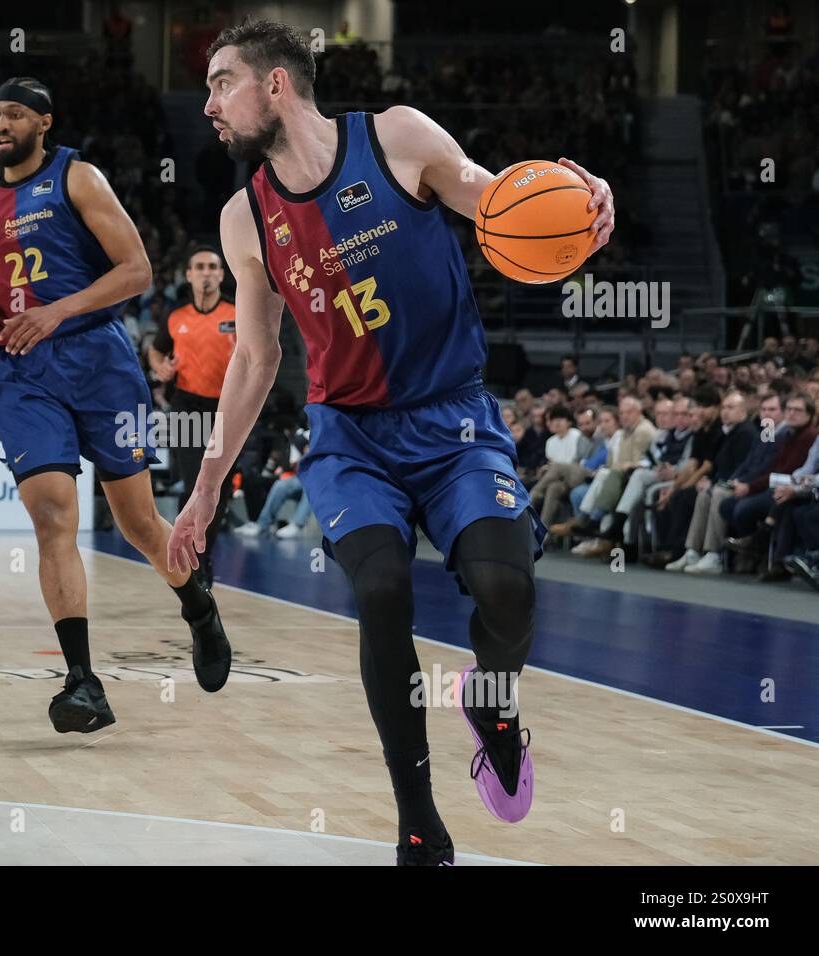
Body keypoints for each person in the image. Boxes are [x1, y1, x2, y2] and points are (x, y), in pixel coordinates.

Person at [168, 19, 614, 865]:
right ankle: (419, 822)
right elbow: (257, 359)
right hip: (350, 440)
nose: (209, 104)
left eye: (222, 82)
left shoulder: (397, 137)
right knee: (380, 589)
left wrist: (579, 190)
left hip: (454, 420)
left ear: (275, 85)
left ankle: (493, 702)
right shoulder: (244, 220)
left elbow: (498, 199)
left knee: (504, 587)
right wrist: (205, 487)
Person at [0, 77, 232, 733]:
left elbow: (137, 271)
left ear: (43, 122)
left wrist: (58, 311)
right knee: (52, 513)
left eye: (15, 114)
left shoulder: (77, 177)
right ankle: (82, 681)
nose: (1, 124)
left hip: (100, 362)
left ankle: (196, 605)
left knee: (138, 524)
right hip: (22, 369)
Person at [147, 244, 238, 585]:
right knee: (193, 484)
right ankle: (193, 567)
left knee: (220, 489)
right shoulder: (175, 317)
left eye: (212, 267)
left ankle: (205, 556)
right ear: (188, 275)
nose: (205, 272)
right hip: (186, 406)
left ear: (221, 274)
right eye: (198, 267)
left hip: (228, 410)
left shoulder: (236, 313)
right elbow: (155, 349)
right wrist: (160, 368)